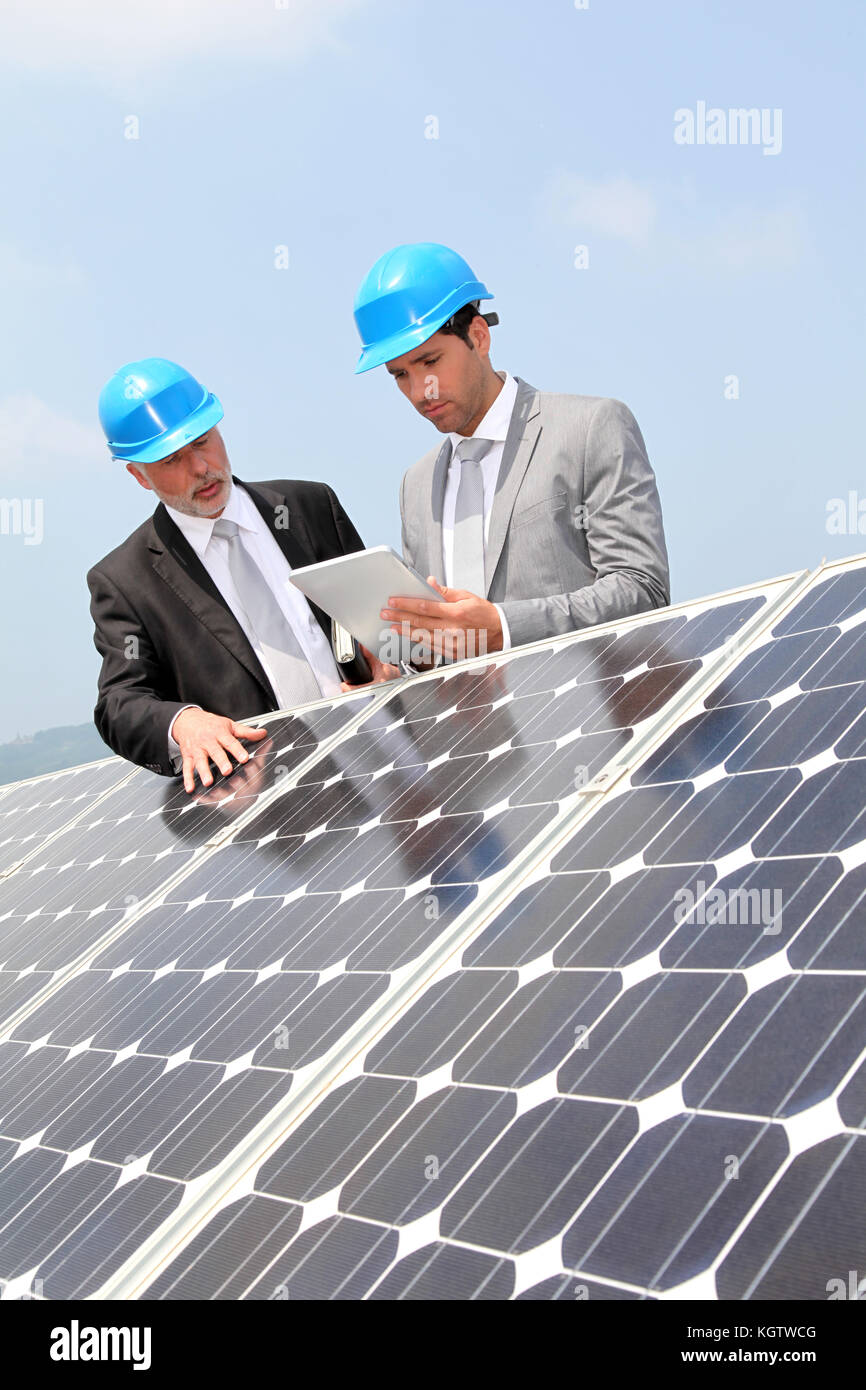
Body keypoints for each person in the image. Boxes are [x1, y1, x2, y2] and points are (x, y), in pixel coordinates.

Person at [352, 242, 670, 663]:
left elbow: (641, 590)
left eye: (430, 361)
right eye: (399, 375)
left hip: (587, 718)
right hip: (465, 728)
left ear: (478, 337)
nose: (418, 391)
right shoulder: (416, 483)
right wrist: (399, 664)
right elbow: (438, 640)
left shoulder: (591, 428)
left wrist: (503, 628)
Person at [88, 357, 386, 793]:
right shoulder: (126, 582)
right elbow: (120, 703)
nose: (200, 468)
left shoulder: (310, 507)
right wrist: (182, 724)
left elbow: (383, 622)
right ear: (139, 475)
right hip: (274, 813)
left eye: (204, 442)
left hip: (386, 765)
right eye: (172, 459)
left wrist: (393, 658)